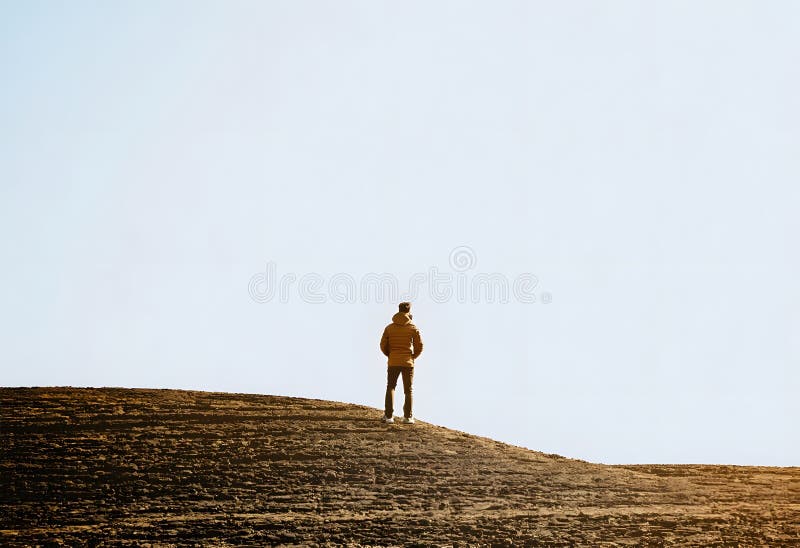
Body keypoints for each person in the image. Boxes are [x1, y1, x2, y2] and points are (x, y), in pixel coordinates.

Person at [380, 302, 423, 424]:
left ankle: (388, 417)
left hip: (393, 361)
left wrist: (390, 354)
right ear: (408, 312)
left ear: (398, 310)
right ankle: (408, 417)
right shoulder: (413, 328)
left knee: (391, 387)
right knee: (408, 390)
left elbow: (382, 345)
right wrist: (413, 356)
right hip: (408, 362)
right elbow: (419, 345)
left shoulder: (389, 328)